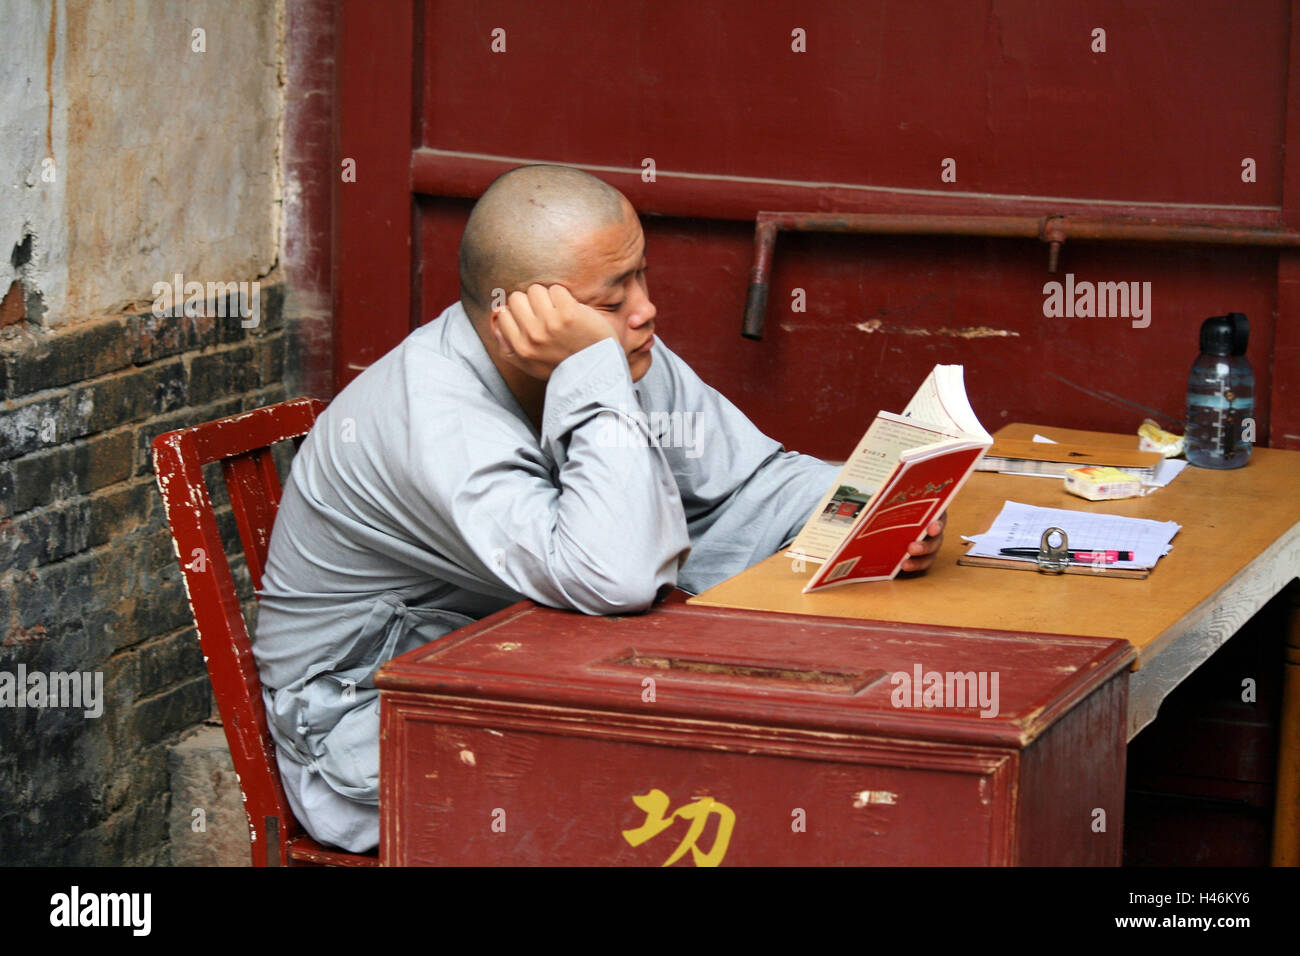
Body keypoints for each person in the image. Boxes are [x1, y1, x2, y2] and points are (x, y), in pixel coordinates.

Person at [253, 165, 946, 852]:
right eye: (613, 300)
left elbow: (747, 480)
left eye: (641, 276)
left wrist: (865, 505)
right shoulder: (440, 417)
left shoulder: (610, 353)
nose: (644, 311)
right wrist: (592, 369)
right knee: (704, 779)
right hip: (370, 725)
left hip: (517, 667)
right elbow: (613, 577)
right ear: (525, 319)